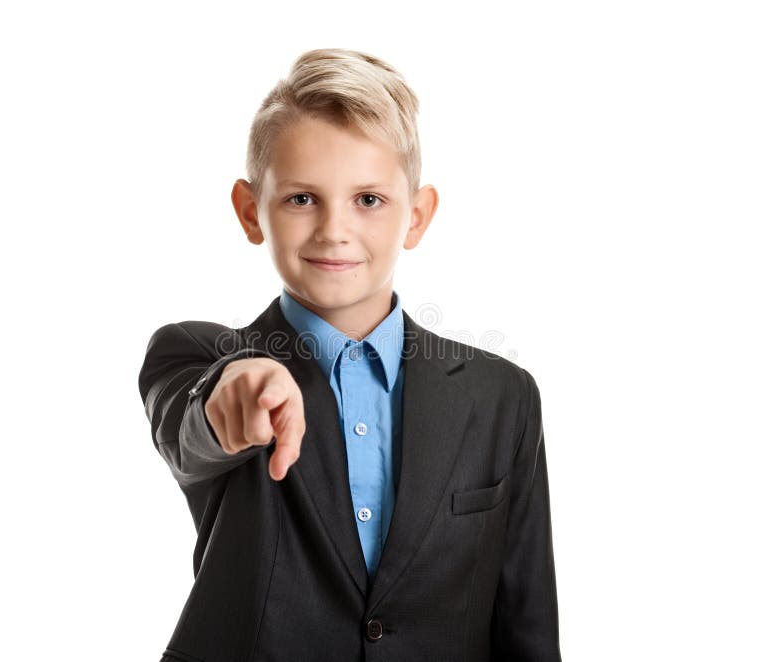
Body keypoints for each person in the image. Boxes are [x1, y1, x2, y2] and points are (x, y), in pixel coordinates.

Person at [138, 47, 561, 662]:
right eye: (302, 199)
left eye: (368, 199)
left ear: (416, 217)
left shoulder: (503, 396)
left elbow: (527, 620)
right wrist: (234, 390)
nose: (334, 229)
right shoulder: (199, 356)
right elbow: (190, 423)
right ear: (250, 210)